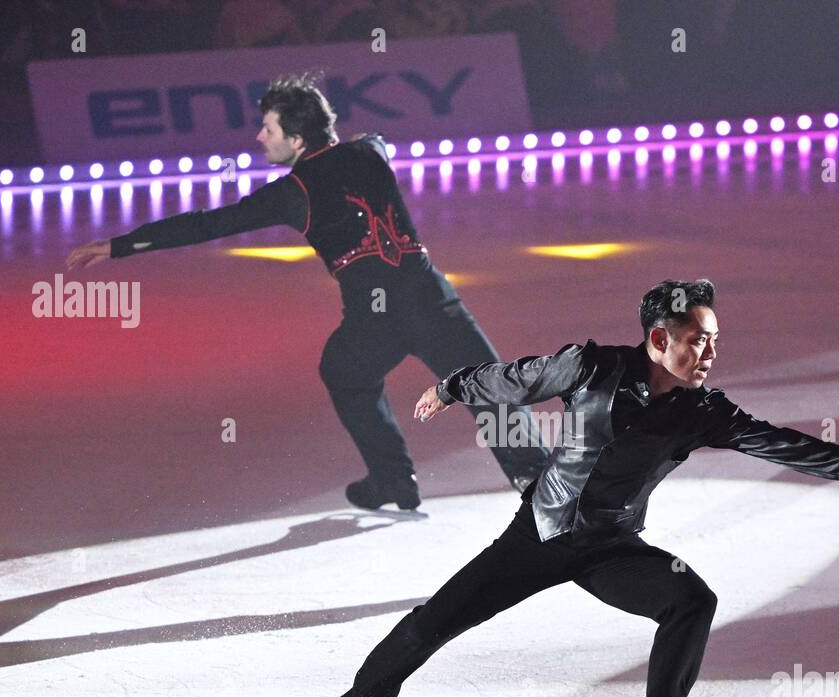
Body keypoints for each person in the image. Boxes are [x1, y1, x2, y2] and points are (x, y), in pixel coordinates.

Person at [310, 278, 839, 697]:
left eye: (714, 339)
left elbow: (776, 440)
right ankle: (369, 692)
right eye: (697, 339)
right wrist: (451, 387)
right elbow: (516, 379)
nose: (710, 351)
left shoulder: (703, 410)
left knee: (691, 600)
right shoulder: (591, 365)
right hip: (542, 532)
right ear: (660, 339)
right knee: (439, 620)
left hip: (610, 545)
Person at [66, 71, 548, 509]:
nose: (259, 137)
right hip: (432, 300)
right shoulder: (371, 149)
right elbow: (362, 143)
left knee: (345, 371)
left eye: (269, 130)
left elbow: (209, 223)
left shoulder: (293, 192)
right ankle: (542, 486)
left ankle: (394, 478)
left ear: (295, 139)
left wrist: (121, 246)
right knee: (489, 388)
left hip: (373, 320)